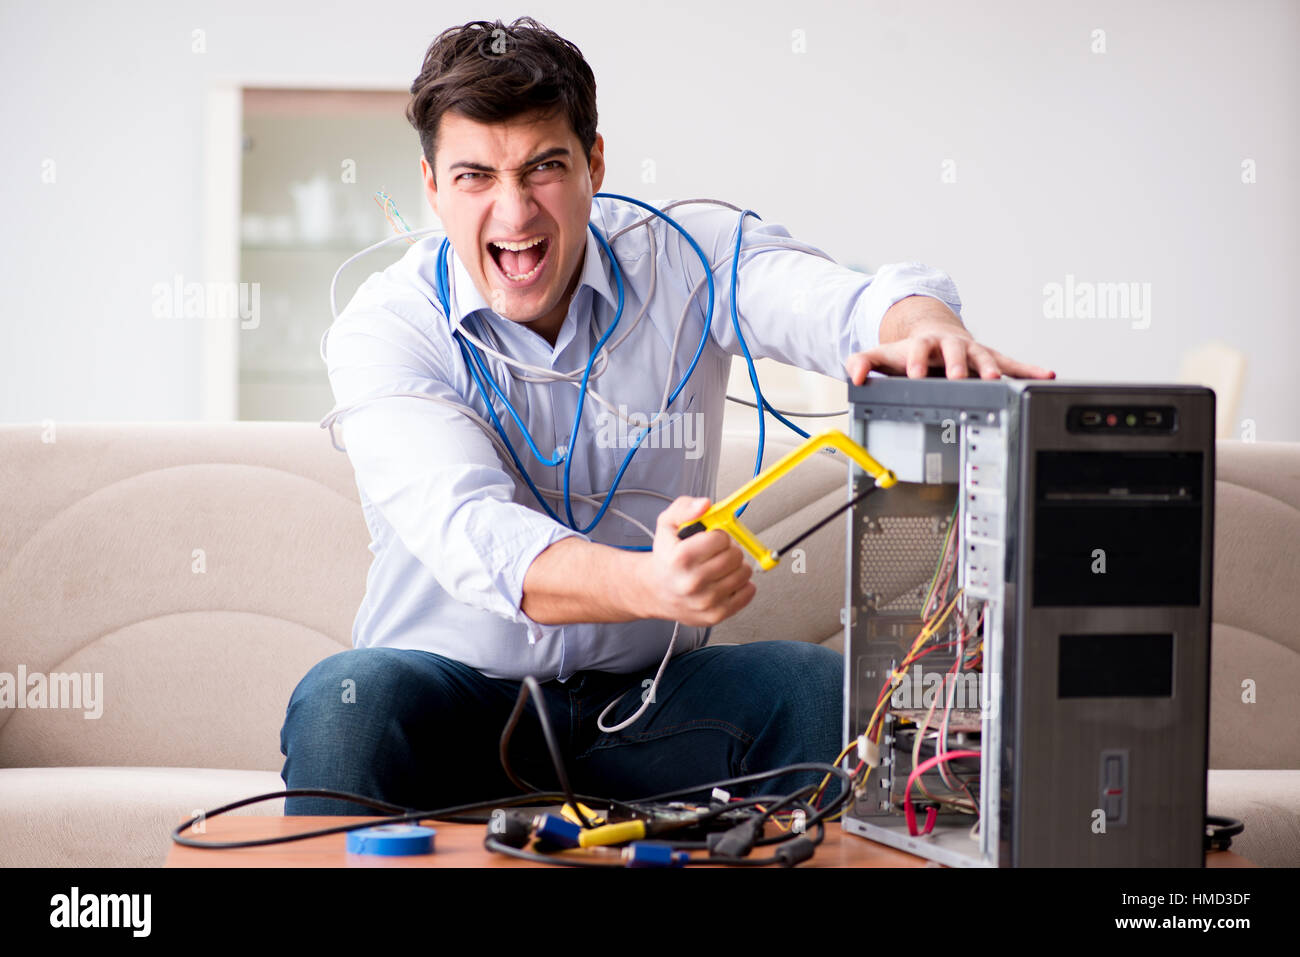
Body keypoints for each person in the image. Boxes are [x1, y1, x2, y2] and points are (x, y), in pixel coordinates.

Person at [279, 17, 1054, 816]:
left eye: (544, 167)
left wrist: (924, 327)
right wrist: (648, 583)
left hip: (644, 709)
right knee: (348, 700)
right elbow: (471, 530)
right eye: (475, 176)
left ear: (595, 164)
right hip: (454, 701)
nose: (514, 215)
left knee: (818, 694)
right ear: (433, 186)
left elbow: (849, 302)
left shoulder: (684, 252)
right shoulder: (386, 326)